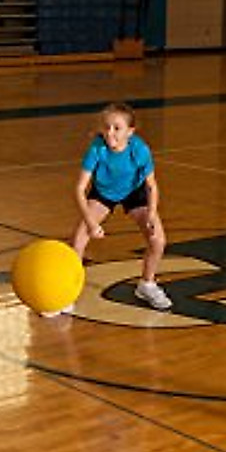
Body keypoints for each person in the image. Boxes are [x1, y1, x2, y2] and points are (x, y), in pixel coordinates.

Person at [67, 101, 171, 311]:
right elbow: (79, 189)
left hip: (134, 191)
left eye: (117, 128)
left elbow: (152, 186)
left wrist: (151, 213)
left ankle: (147, 285)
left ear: (130, 131)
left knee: (158, 239)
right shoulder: (97, 148)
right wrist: (90, 223)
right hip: (103, 192)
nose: (110, 133)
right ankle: (69, 292)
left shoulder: (139, 149)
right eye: (106, 127)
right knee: (78, 240)